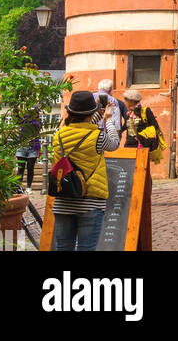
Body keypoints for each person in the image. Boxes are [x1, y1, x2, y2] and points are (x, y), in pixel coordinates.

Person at [50, 90, 119, 251]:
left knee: (63, 248)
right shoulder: (97, 137)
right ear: (91, 114)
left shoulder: (58, 136)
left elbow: (79, 125)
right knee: (86, 248)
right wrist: (107, 119)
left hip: (63, 201)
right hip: (90, 203)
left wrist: (95, 114)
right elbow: (114, 143)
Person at [121, 89, 166, 161]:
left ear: (131, 101)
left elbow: (155, 126)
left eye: (125, 100)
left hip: (141, 145)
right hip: (129, 145)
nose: (124, 102)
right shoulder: (128, 113)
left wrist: (141, 135)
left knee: (141, 169)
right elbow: (127, 126)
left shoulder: (145, 111)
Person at [15, 107, 42, 192]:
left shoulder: (38, 122)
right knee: (20, 169)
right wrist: (16, 110)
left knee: (30, 168)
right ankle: (18, 188)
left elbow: (36, 128)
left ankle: (28, 187)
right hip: (22, 147)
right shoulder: (23, 121)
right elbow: (17, 121)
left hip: (33, 147)